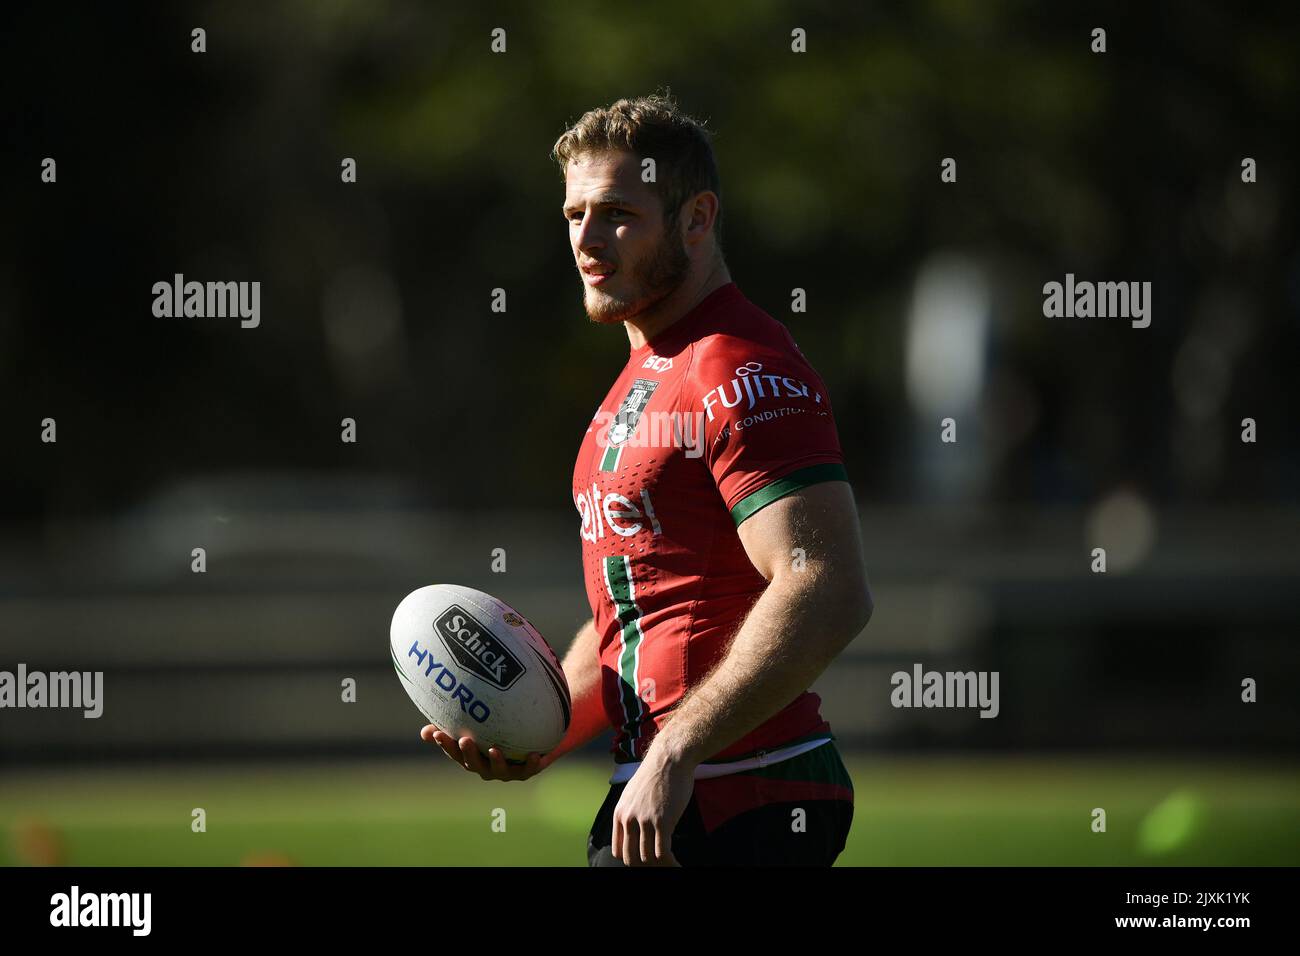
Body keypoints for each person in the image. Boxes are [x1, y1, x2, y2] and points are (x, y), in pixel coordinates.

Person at [423, 91, 873, 867]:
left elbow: (825, 586)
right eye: (573, 216)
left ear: (697, 218)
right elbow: (629, 616)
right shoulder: (639, 380)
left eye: (617, 215)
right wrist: (539, 731)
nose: (587, 241)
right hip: (669, 790)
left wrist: (676, 753)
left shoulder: (741, 368)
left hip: (743, 795)